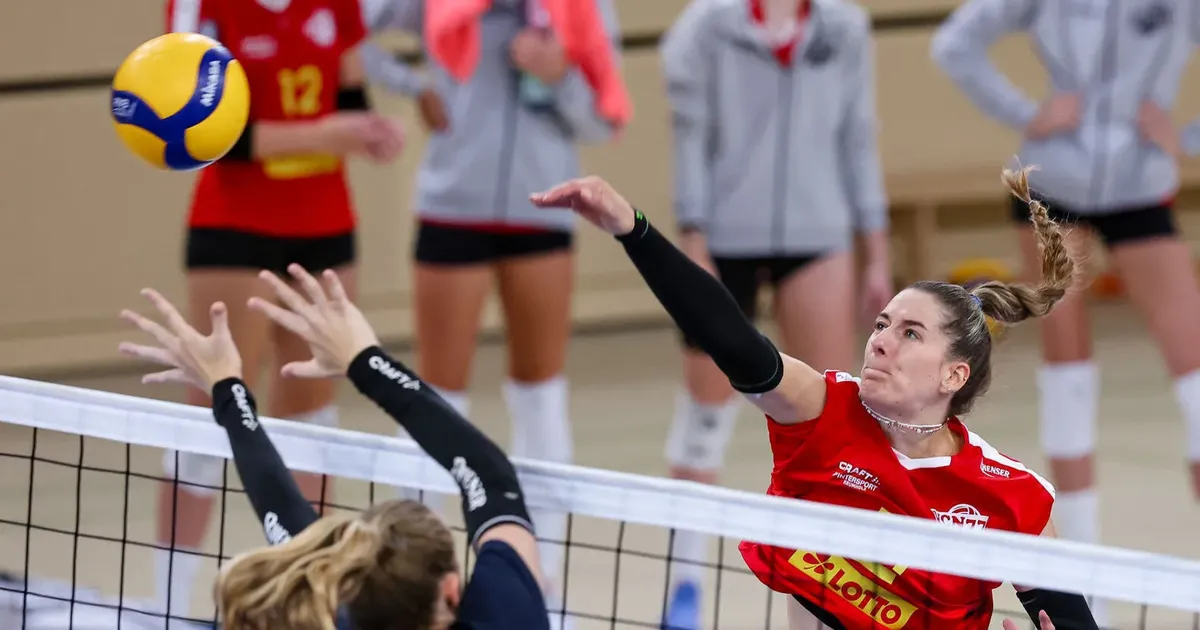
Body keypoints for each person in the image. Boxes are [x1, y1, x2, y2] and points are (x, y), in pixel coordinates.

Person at [530, 170, 1099, 630]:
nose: (879, 340)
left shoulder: (1009, 495)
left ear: (953, 376)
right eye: (882, 323)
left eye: (909, 333)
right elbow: (731, 337)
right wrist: (632, 228)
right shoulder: (823, 412)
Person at [355, 0, 631, 612]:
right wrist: (413, 84)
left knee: (541, 393)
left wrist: (559, 75)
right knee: (434, 398)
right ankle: (410, 581)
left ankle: (544, 581)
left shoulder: (582, 10)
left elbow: (600, 120)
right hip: (453, 207)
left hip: (545, 210)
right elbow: (350, 29)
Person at [931, 4, 1200, 617]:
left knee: (1196, 383)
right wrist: (1029, 114)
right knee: (1068, 377)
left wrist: (1188, 136)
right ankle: (1086, 596)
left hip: (1141, 188)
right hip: (1057, 187)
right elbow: (955, 45)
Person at [117, 264, 548, 630]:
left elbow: (284, 511)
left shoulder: (327, 617)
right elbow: (488, 473)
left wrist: (227, 386)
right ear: (452, 590)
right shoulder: (509, 617)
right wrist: (366, 361)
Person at [157, 0, 404, 618]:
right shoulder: (208, 8)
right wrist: (328, 134)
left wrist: (370, 131)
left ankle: (305, 601)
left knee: (311, 426)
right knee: (211, 416)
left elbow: (349, 97)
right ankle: (160, 603)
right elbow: (202, 132)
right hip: (235, 225)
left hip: (325, 227)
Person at [656, 0, 892, 624]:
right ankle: (685, 588)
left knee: (826, 427)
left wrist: (876, 251)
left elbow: (858, 137)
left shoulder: (844, 28)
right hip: (723, 241)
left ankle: (822, 600)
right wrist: (694, 238)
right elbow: (691, 135)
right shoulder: (704, 29)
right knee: (704, 418)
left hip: (819, 237)